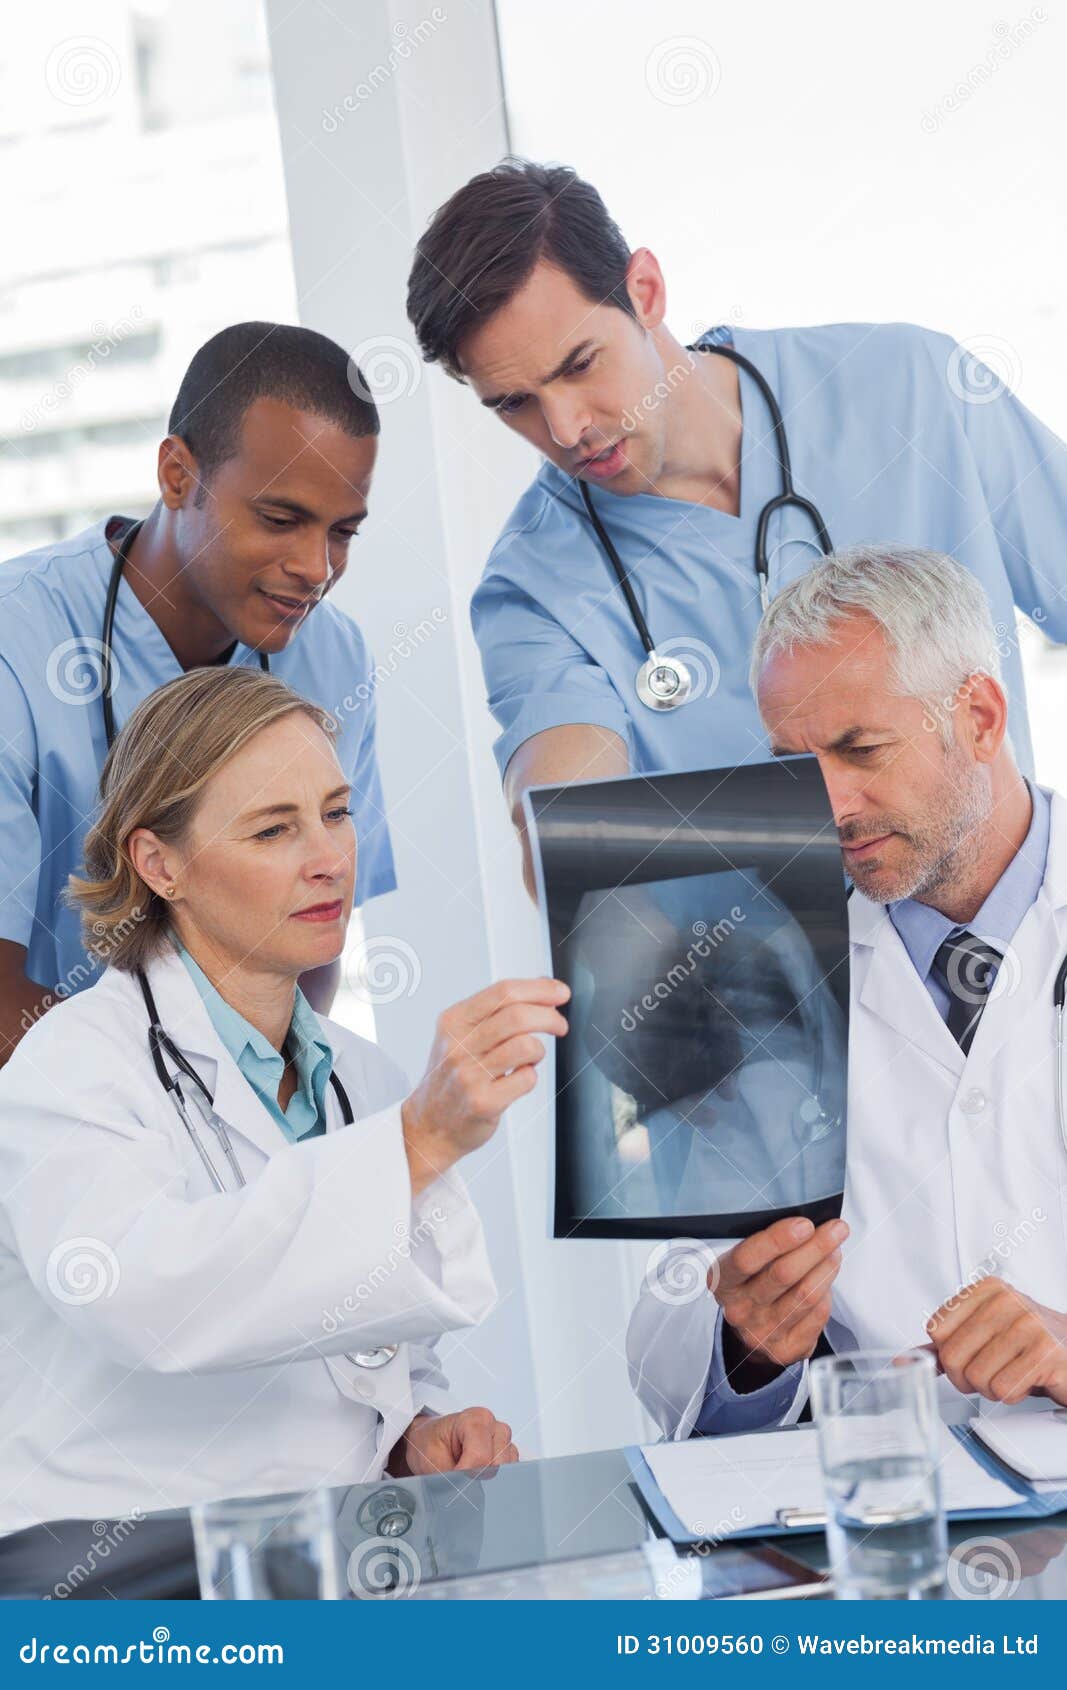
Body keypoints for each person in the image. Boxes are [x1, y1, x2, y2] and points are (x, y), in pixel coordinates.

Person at [0, 667, 570, 1530]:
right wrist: (416, 1143)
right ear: (159, 864)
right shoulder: (72, 1066)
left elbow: (372, 1354)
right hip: (116, 1583)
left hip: (319, 1561)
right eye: (273, 831)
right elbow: (143, 1301)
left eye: (336, 814)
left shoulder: (361, 1076)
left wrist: (409, 1434)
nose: (329, 860)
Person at [407, 160, 1067, 888]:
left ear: (645, 291)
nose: (564, 428)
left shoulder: (911, 388)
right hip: (777, 997)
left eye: (579, 364)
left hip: (1015, 956)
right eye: (512, 403)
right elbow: (569, 840)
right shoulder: (533, 586)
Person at [626, 545, 1067, 1436]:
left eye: (859, 749)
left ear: (978, 717)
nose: (825, 805)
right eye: (793, 762)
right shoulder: (736, 973)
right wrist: (745, 1343)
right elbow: (676, 1300)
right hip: (880, 1516)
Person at [0, 321, 396, 1058]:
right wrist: (163, 1116)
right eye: (281, 520)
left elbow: (309, 945)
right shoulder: (15, 642)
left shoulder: (333, 658)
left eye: (343, 532)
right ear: (178, 475)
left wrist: (266, 1113)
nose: (316, 568)